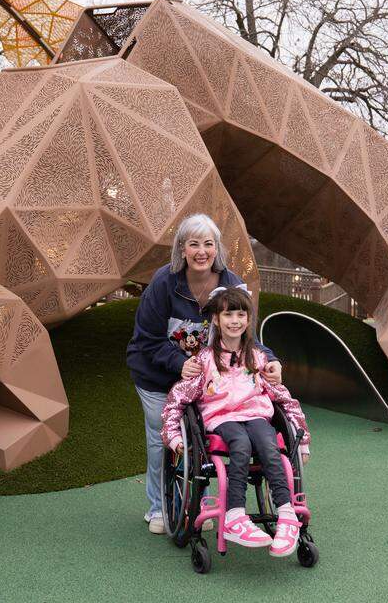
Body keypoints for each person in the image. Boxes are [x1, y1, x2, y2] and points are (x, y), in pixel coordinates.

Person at [126, 213, 283, 534]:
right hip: (156, 373)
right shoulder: (163, 284)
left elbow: (247, 335)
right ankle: (159, 507)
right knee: (163, 439)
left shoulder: (232, 284)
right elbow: (146, 340)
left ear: (217, 249)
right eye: (193, 244)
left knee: (199, 436)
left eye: (208, 244)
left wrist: (270, 360)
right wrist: (177, 363)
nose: (201, 251)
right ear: (181, 249)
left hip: (208, 377)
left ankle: (200, 501)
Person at [162, 286, 310, 558]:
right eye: (228, 314)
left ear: (248, 319)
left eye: (241, 314)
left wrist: (302, 440)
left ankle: (287, 514)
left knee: (270, 446)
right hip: (222, 418)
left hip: (256, 414)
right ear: (216, 320)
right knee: (240, 444)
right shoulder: (204, 359)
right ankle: (234, 515)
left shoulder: (258, 357)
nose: (235, 321)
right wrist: (173, 436)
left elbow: (284, 398)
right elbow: (178, 398)